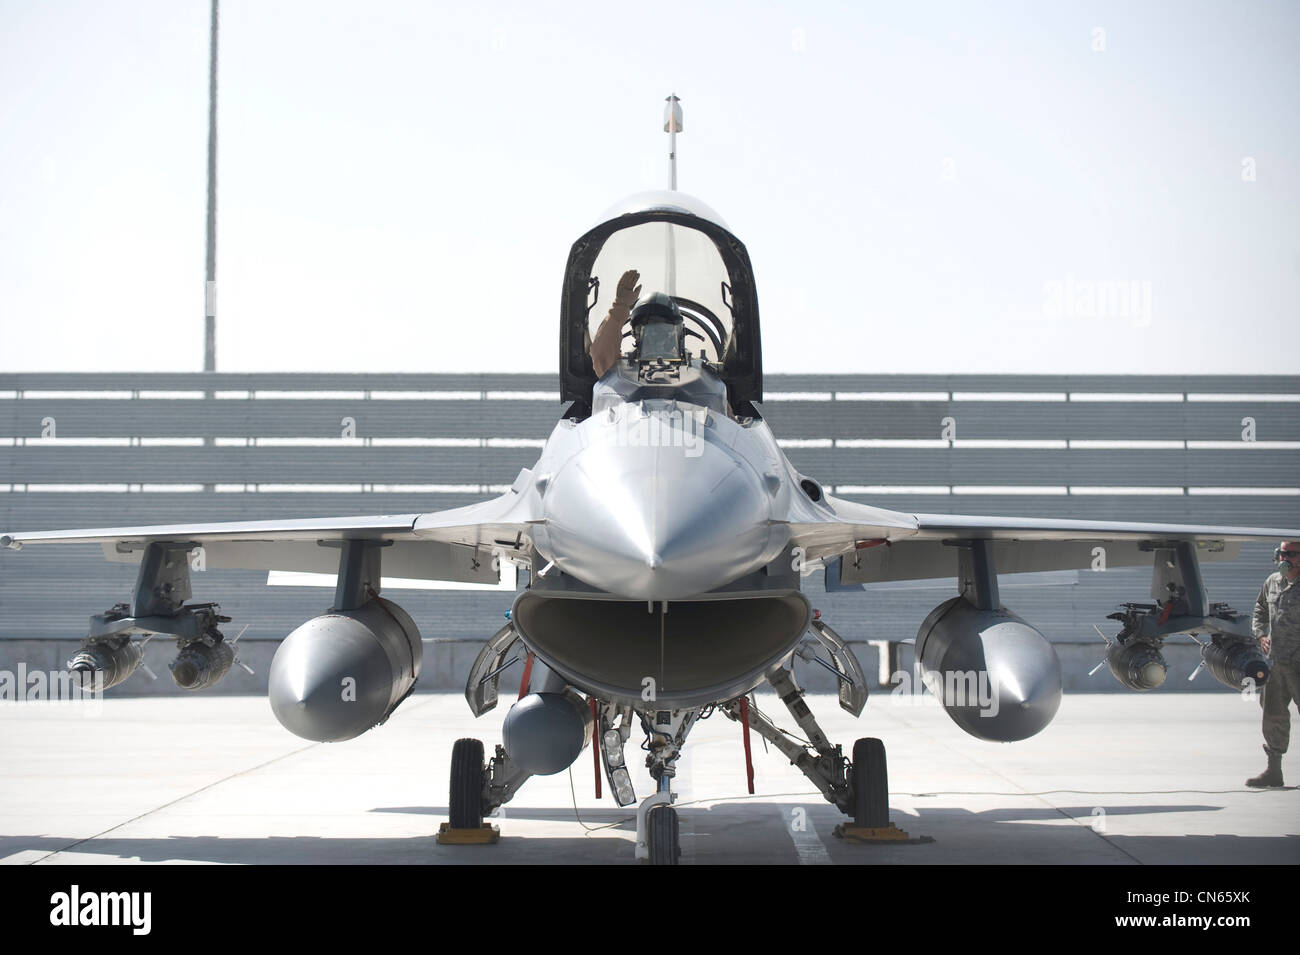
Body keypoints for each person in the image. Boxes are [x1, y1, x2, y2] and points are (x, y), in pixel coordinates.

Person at [1247, 540, 1300, 787]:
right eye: (1281, 553)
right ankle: (1274, 771)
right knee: (1273, 714)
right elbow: (1259, 609)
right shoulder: (1273, 582)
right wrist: (1261, 634)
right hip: (1276, 663)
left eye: (1290, 553)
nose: (1283, 557)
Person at [590, 269, 641, 378]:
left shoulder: (686, 371)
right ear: (637, 333)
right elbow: (601, 356)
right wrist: (620, 306)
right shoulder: (621, 371)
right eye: (649, 329)